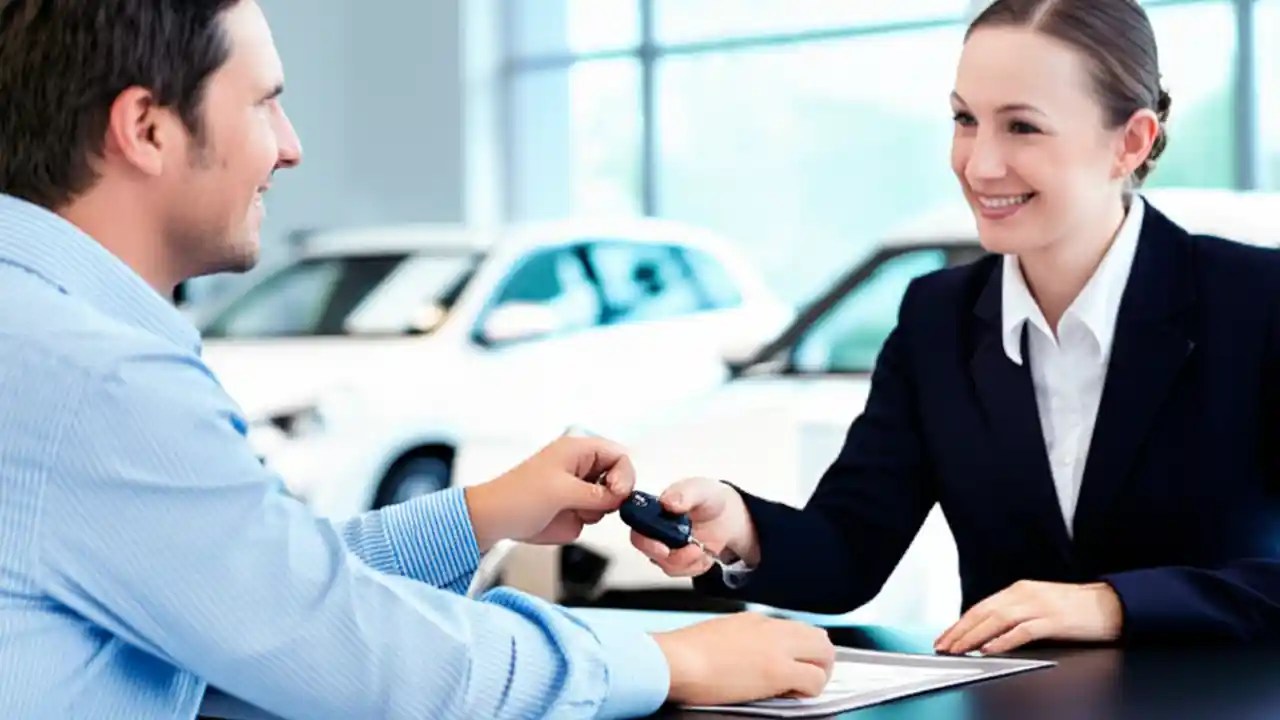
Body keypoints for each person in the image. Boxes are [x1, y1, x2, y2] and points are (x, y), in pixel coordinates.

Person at [0, 2, 836, 718]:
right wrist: (671, 663)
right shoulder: (94, 380)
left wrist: (478, 515)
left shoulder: (38, 337)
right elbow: (352, 654)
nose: (289, 147)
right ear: (146, 128)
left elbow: (248, 583)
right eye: (265, 105)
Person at [633, 0, 1280, 655]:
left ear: (1130, 142)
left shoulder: (1257, 302)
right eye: (965, 120)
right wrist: (739, 528)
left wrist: (1112, 603)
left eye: (1022, 127)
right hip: (1011, 700)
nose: (979, 165)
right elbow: (851, 548)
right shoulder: (935, 318)